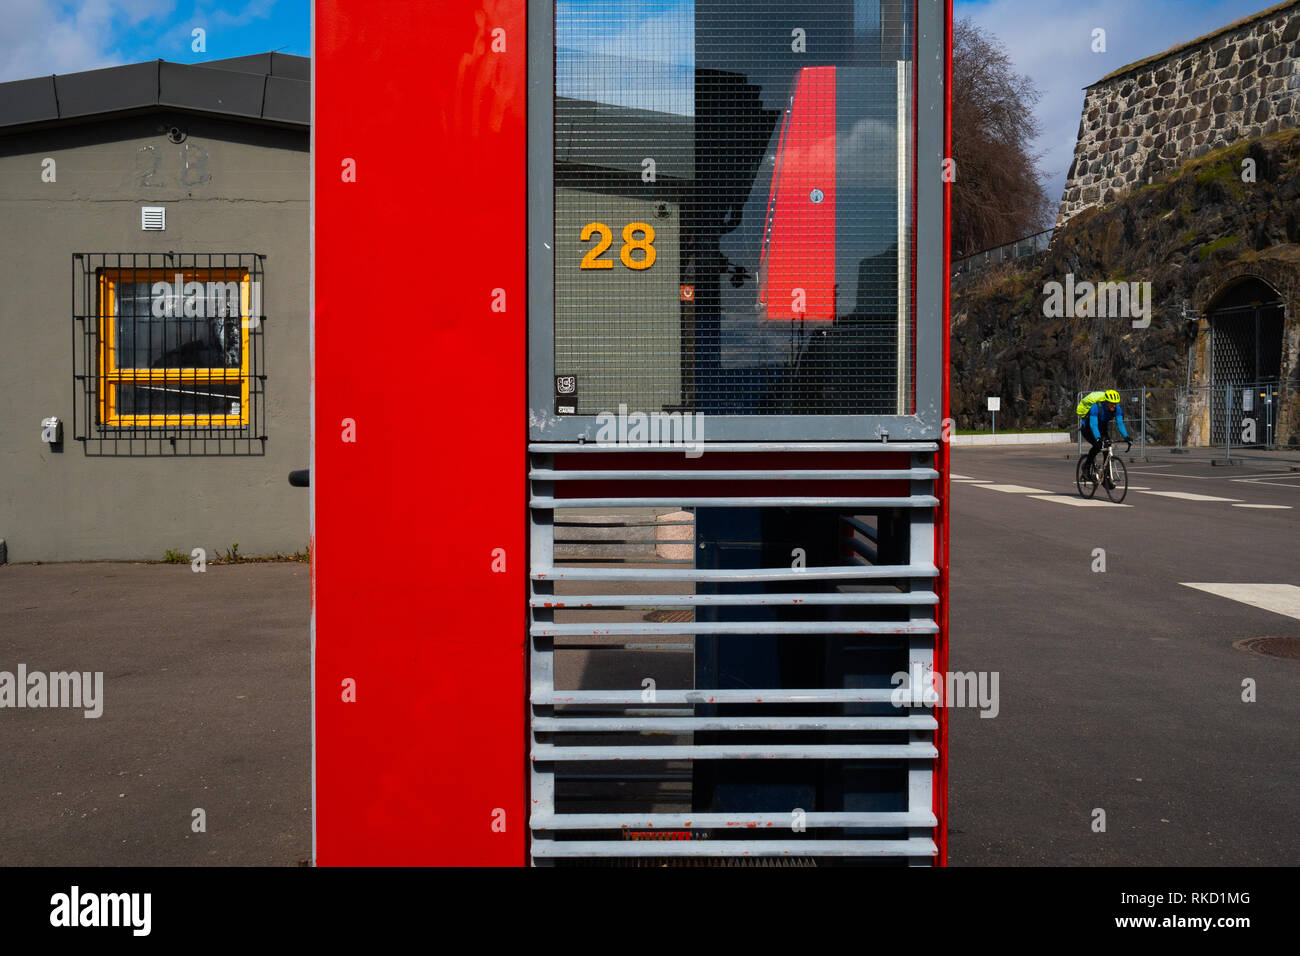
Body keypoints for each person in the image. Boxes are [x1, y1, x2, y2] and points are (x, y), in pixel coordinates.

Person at [1077, 389, 1131, 486]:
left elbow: (1120, 423)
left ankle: (1106, 478)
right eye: (1112, 403)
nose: (1114, 406)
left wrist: (1126, 436)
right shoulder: (1096, 407)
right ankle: (1086, 467)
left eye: (1115, 403)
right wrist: (1098, 438)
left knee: (1107, 447)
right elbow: (1093, 425)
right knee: (1098, 446)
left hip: (1102, 427)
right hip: (1088, 428)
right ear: (1106, 402)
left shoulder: (1117, 409)